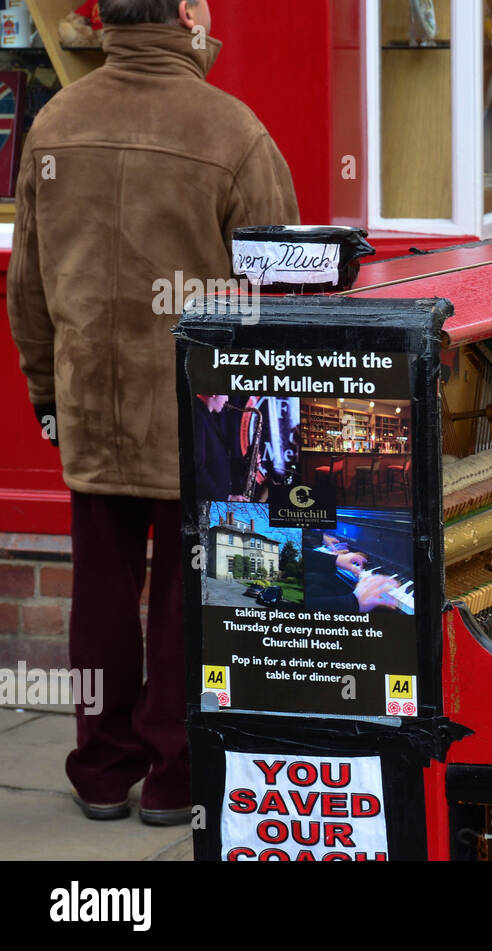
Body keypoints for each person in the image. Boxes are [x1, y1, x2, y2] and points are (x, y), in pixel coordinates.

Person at [6, 0, 299, 824]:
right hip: (202, 414)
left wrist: (47, 393)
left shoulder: (55, 122)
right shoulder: (232, 131)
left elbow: (26, 286)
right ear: (184, 18)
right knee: (188, 590)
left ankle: (101, 768)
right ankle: (175, 774)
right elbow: (282, 288)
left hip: (90, 406)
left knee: (100, 590)